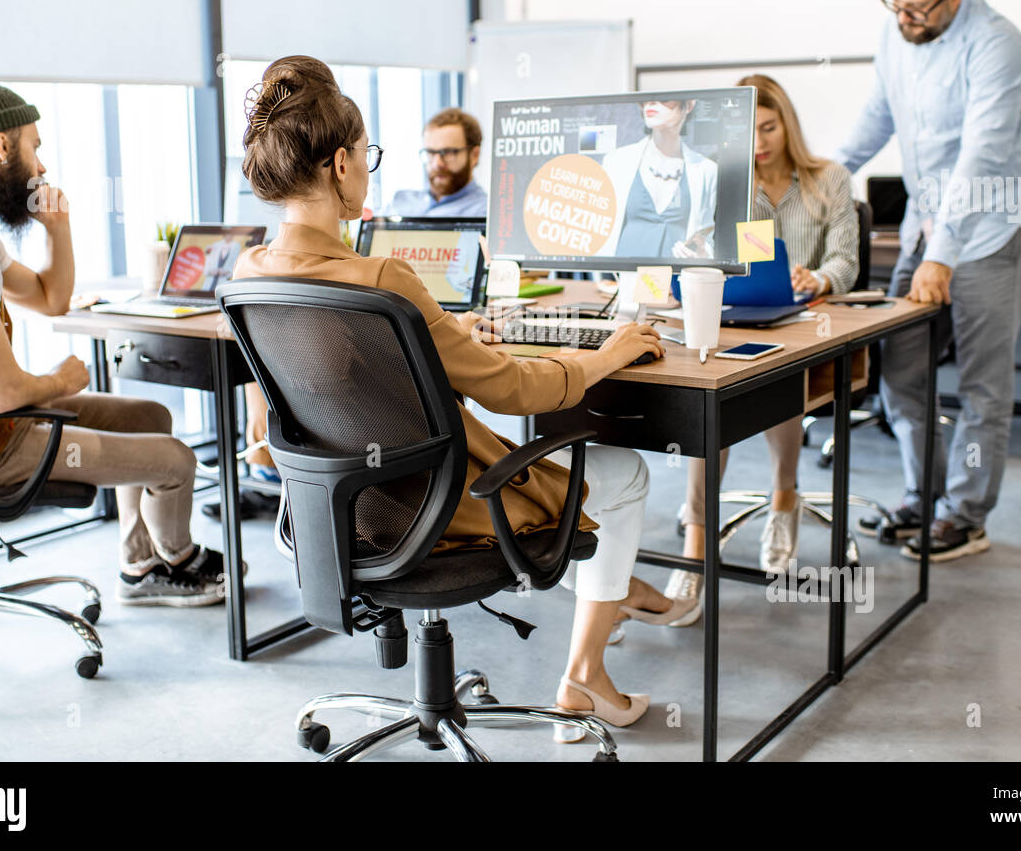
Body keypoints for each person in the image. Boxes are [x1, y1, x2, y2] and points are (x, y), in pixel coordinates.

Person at [234, 56, 692, 737]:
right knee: (625, 474)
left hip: (339, 514)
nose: (370, 168)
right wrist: (605, 354)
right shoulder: (381, 276)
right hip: (434, 510)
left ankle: (618, 595)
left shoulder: (252, 271)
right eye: (369, 155)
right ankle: (586, 673)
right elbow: (510, 388)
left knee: (585, 489)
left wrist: (438, 340)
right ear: (338, 165)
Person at [0, 83, 229, 607]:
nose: (41, 165)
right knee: (176, 460)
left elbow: (49, 298)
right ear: (2, 146)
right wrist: (61, 381)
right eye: (34, 146)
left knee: (150, 416)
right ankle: (177, 561)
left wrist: (58, 230)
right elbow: (0, 392)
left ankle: (139, 563)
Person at [835, 0, 1021, 561]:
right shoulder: (897, 34)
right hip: (930, 231)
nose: (904, 18)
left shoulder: (996, 44)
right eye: (894, 3)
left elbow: (981, 159)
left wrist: (942, 255)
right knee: (899, 370)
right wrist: (824, 176)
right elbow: (879, 113)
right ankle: (923, 498)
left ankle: (966, 515)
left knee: (983, 386)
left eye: (918, 8)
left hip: (990, 233)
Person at [667, 75, 859, 620]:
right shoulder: (726, 184)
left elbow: (846, 261)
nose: (759, 143)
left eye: (769, 127)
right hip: (740, 316)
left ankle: (783, 498)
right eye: (747, 133)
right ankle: (696, 547)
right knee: (712, 401)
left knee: (779, 383)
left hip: (809, 325)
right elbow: (699, 253)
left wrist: (817, 280)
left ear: (787, 123)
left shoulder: (829, 179)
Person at [597, 100, 719, 259]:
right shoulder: (617, 161)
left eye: (665, 98)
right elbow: (599, 229)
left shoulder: (706, 169)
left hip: (675, 279)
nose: (652, 103)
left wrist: (702, 254)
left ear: (688, 105)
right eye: (646, 98)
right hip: (624, 277)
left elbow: (707, 236)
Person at [382, 107, 489, 219]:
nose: (437, 163)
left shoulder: (485, 215)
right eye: (431, 152)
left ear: (474, 155)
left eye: (448, 152)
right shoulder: (401, 202)